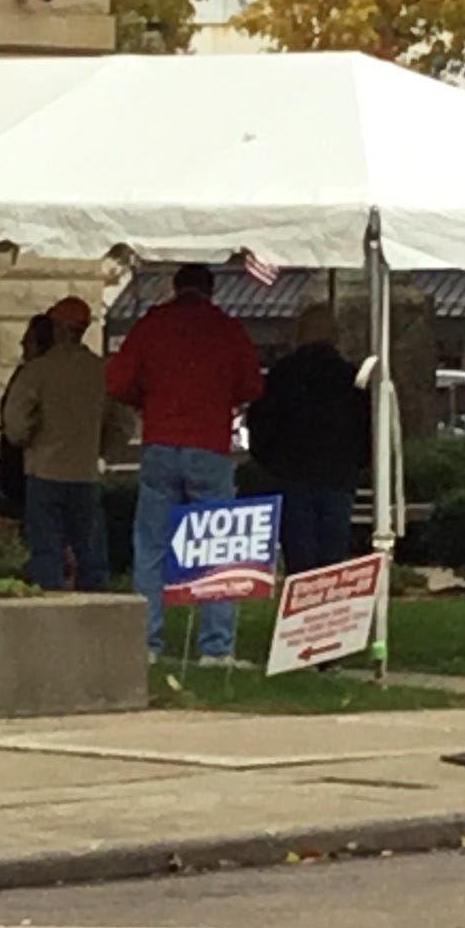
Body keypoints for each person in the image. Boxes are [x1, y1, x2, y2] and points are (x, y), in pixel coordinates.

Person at [105, 263, 264, 661]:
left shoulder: (151, 325)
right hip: (209, 447)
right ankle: (214, 647)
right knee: (218, 549)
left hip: (159, 442)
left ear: (175, 288)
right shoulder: (227, 328)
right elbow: (252, 386)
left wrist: (149, 399)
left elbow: (116, 380)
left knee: (152, 547)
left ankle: (145, 645)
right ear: (212, 290)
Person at [0, 296, 113, 590]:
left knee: (46, 553)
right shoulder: (100, 371)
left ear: (57, 327)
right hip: (85, 473)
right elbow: (122, 421)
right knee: (90, 554)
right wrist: (99, 447)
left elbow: (14, 420)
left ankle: (51, 614)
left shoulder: (38, 371)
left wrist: (26, 440)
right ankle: (94, 614)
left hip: (44, 472)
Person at [248, 303, 370, 574]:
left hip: (291, 475)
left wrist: (269, 462)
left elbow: (261, 422)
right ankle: (327, 611)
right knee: (332, 556)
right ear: (335, 335)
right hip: (338, 475)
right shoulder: (350, 377)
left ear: (300, 334)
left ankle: (300, 610)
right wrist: (358, 463)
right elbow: (365, 427)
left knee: (300, 557)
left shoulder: (282, 374)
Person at [0, 312, 56, 535]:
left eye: (28, 341)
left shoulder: (31, 375)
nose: (22, 346)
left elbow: (15, 422)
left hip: (24, 467)